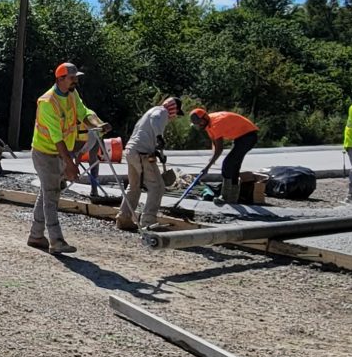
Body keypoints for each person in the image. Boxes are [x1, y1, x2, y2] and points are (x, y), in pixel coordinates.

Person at [28, 62, 104, 254]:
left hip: (59, 152)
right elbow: (57, 139)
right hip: (45, 153)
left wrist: (98, 124)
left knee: (49, 192)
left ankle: (36, 236)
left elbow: (83, 112)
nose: (76, 81)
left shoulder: (71, 95)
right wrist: (70, 164)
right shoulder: (47, 102)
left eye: (76, 77)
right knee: (51, 194)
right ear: (60, 78)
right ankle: (56, 241)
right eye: (72, 78)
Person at [117, 96, 180, 232]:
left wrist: (159, 154)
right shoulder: (161, 112)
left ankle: (124, 218)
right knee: (157, 187)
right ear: (173, 109)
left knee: (134, 187)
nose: (174, 117)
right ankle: (148, 221)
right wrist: (159, 137)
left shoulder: (149, 112)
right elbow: (155, 120)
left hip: (131, 151)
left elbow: (144, 136)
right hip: (141, 153)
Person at [189, 107, 259, 204]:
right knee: (234, 166)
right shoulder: (208, 124)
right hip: (240, 137)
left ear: (204, 118)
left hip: (248, 136)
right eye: (197, 124)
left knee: (227, 164)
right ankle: (233, 198)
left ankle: (225, 197)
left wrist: (207, 167)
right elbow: (214, 143)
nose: (199, 126)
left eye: (199, 123)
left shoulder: (216, 124)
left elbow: (220, 148)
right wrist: (211, 160)